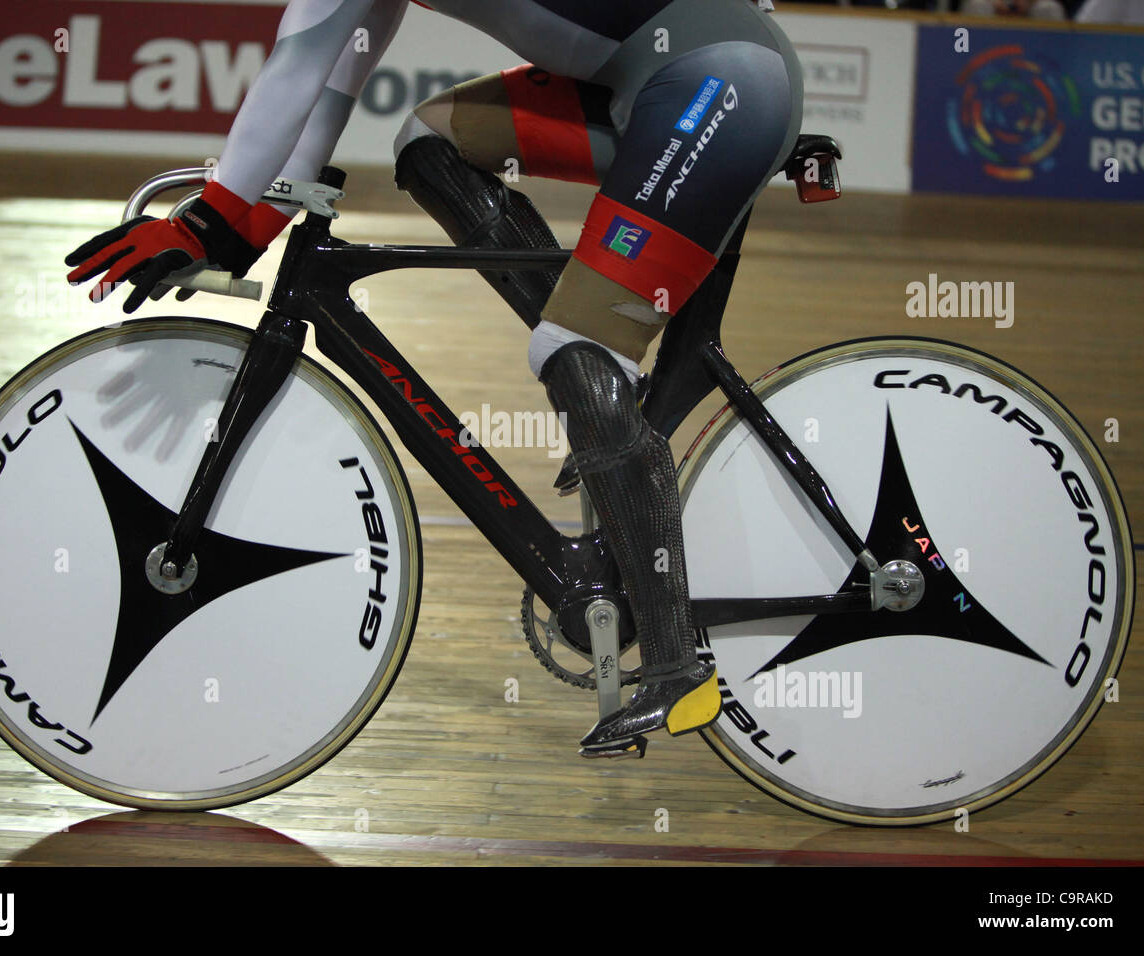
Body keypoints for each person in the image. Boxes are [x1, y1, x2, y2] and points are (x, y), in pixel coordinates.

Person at [66, 0, 804, 757]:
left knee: (578, 346)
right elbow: (324, 89)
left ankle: (679, 667)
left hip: (716, 85)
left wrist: (211, 220)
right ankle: (597, 384)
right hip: (667, 79)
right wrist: (239, 226)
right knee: (430, 143)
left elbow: (295, 71)